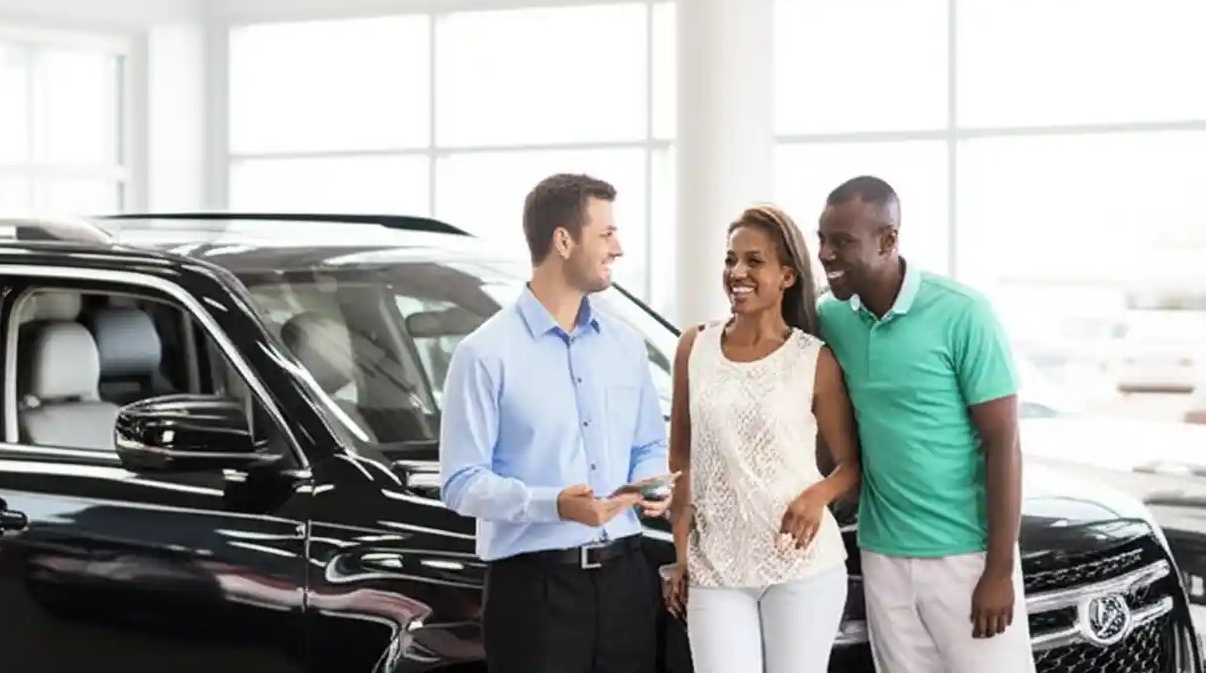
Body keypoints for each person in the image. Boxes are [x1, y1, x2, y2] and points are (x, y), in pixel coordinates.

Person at [439, 173, 675, 673]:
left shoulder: (624, 345)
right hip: (533, 594)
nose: (619, 247)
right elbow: (460, 483)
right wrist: (555, 507)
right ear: (563, 241)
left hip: (625, 584)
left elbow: (650, 443)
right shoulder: (484, 354)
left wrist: (654, 484)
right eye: (606, 233)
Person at [815, 175, 1035, 672]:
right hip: (883, 556)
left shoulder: (964, 313)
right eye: (822, 239)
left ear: (889, 240)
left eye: (842, 242)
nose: (826, 254)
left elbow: (1005, 444)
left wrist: (999, 570)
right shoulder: (833, 320)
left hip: (967, 558)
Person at [662, 203, 861, 673]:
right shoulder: (694, 346)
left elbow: (850, 464)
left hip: (802, 567)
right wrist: (681, 549)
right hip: (716, 570)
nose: (737, 272)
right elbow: (681, 459)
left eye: (754, 261)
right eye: (731, 260)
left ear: (787, 276)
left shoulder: (815, 359)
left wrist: (818, 496)